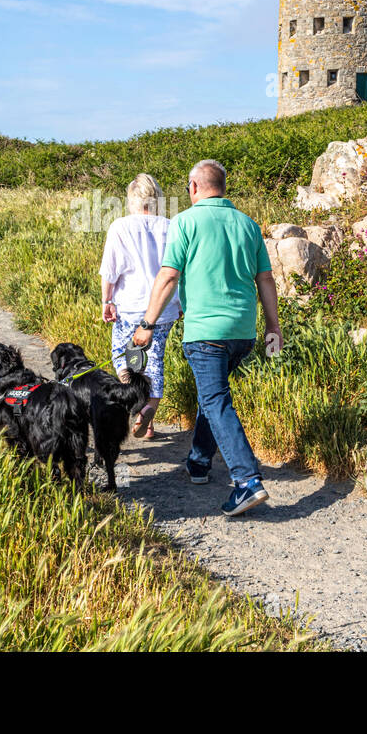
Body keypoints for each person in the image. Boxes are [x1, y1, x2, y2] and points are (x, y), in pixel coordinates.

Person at [132, 159, 282, 516]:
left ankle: (247, 481)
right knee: (211, 395)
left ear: (194, 187)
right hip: (242, 332)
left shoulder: (185, 221)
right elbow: (265, 280)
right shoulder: (248, 225)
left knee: (216, 401)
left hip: (206, 333)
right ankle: (199, 463)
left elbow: (169, 277)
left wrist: (147, 324)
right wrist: (273, 327)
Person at [100, 173, 180, 439]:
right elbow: (180, 270)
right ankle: (149, 413)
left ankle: (137, 407)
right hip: (163, 307)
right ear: (156, 197)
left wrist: (107, 301)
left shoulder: (120, 226)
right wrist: (181, 303)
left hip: (129, 306)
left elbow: (110, 271)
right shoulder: (171, 225)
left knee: (125, 358)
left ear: (132, 199)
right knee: (153, 360)